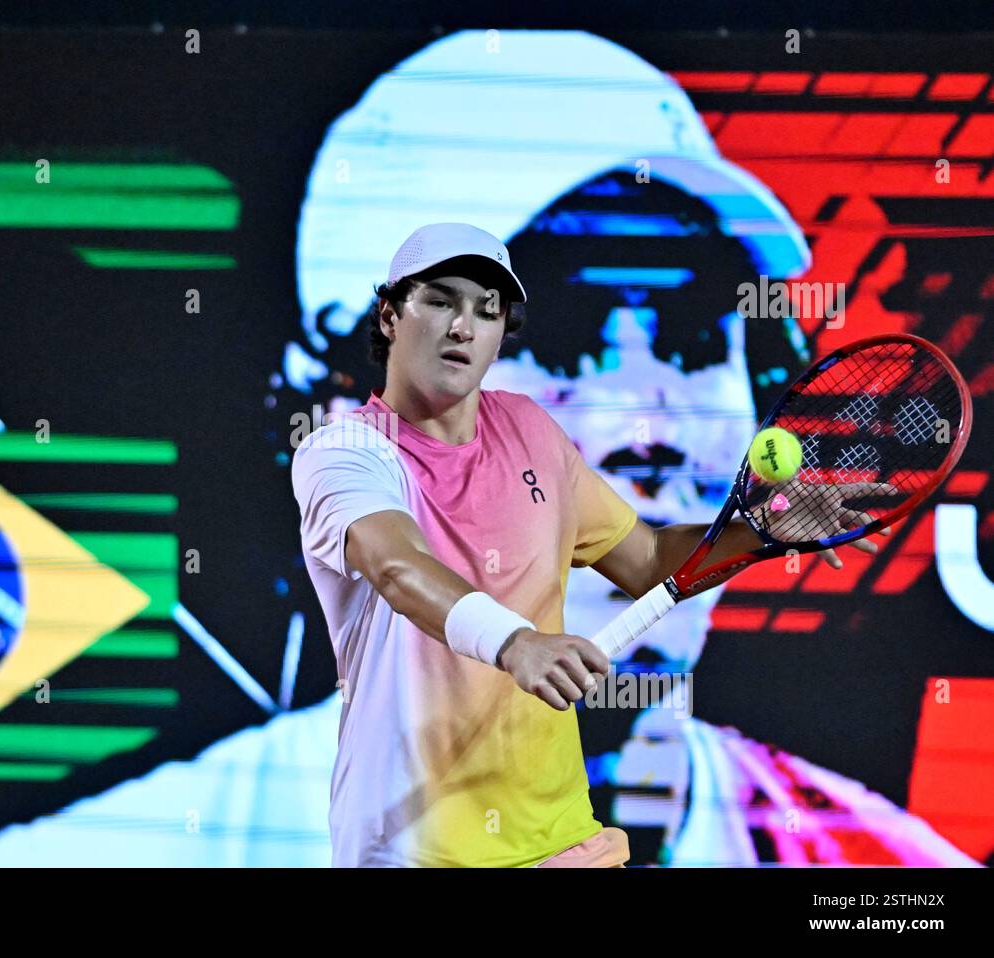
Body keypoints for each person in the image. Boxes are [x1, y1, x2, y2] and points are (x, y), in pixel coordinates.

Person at [290, 222, 884, 868]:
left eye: (488, 311)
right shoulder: (346, 452)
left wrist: (760, 532)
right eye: (441, 300)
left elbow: (649, 562)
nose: (464, 326)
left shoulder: (529, 431)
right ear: (388, 316)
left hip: (563, 843)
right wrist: (515, 643)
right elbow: (399, 567)